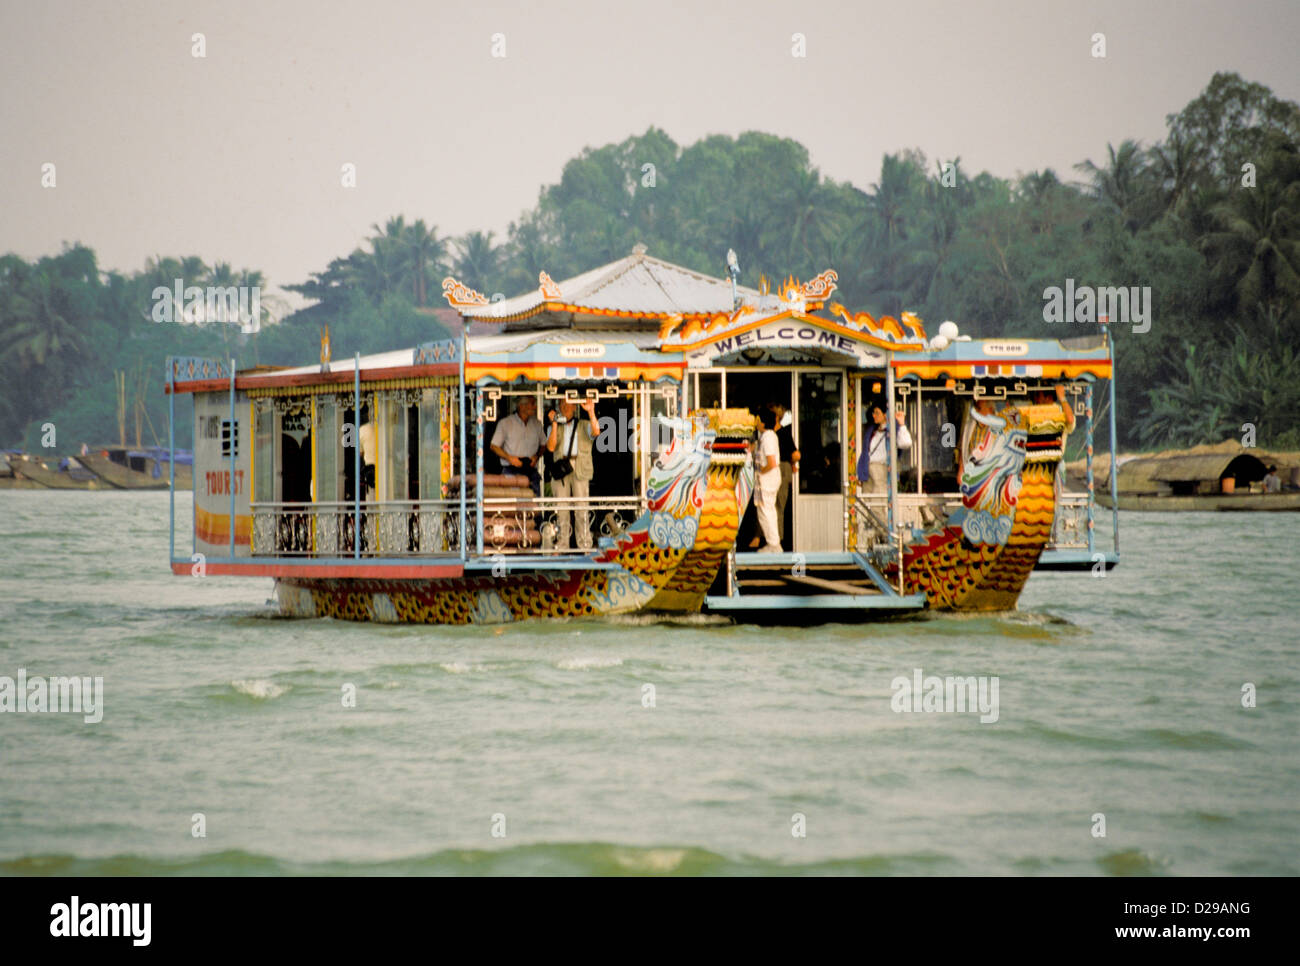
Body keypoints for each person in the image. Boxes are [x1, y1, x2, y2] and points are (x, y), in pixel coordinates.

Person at [546, 398, 599, 550]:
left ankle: (584, 544)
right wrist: (555, 423)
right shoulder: (555, 425)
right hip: (561, 468)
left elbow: (596, 432)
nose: (564, 407)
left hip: (580, 466)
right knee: (561, 508)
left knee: (581, 508)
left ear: (575, 406)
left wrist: (591, 411)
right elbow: (551, 447)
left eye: (567, 404)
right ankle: (563, 544)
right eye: (561, 404)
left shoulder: (584, 424)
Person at [490, 396, 546, 494]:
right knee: (513, 504)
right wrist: (509, 458)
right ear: (522, 406)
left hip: (531, 470)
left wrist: (536, 457)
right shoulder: (506, 423)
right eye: (532, 404)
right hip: (511, 470)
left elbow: (544, 444)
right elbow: (494, 446)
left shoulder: (537, 424)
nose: (535, 407)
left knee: (534, 504)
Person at [857, 402, 911, 493]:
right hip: (868, 469)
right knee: (867, 498)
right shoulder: (872, 431)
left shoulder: (893, 429)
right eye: (873, 413)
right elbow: (866, 452)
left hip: (882, 468)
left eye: (877, 413)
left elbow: (905, 443)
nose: (874, 415)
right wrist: (861, 473)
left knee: (878, 499)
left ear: (885, 414)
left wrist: (901, 424)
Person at [768, 402, 800, 549]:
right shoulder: (769, 434)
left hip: (780, 468)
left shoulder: (783, 433)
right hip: (775, 469)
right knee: (770, 505)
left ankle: (777, 541)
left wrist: (791, 463)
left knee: (778, 505)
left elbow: (796, 454)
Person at [753, 410, 782, 552]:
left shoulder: (768, 437)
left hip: (768, 479)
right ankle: (773, 543)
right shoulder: (766, 436)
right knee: (767, 511)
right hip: (768, 479)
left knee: (766, 512)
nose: (756, 423)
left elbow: (771, 462)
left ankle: (773, 544)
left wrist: (759, 472)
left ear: (763, 422)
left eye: (758, 420)